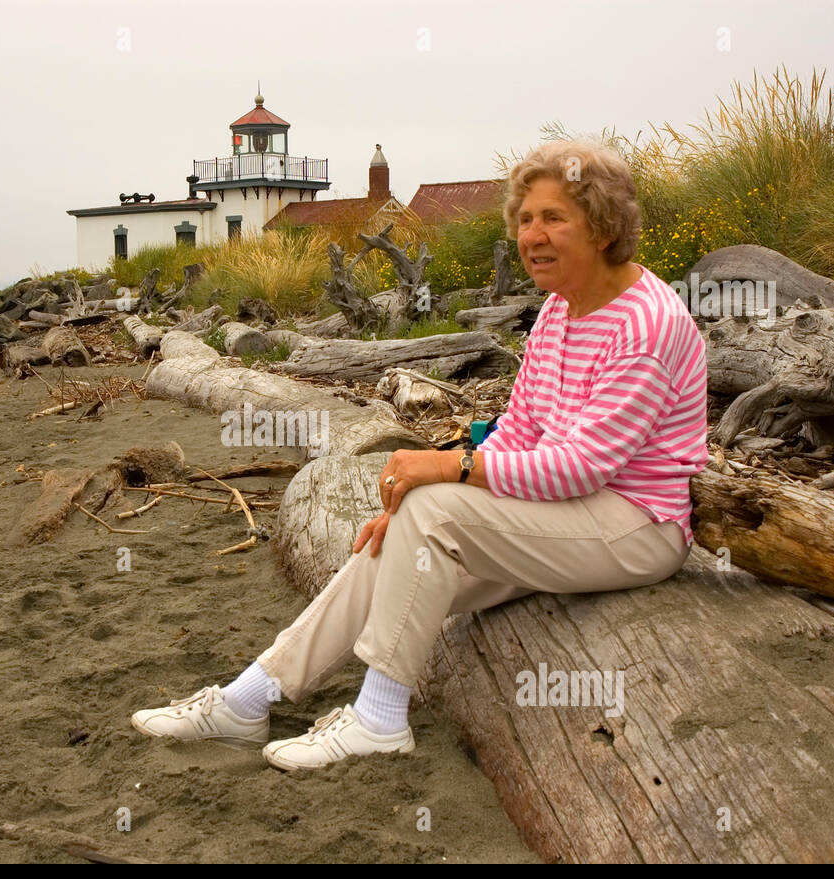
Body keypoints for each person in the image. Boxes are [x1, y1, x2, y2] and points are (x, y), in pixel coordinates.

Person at [131, 139, 709, 770]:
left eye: (553, 218)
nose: (531, 235)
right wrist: (418, 498)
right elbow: (519, 427)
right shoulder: (560, 310)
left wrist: (448, 467)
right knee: (396, 531)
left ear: (602, 227)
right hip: (568, 514)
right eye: (523, 219)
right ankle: (250, 698)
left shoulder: (647, 322)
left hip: (633, 524)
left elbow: (582, 467)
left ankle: (379, 717)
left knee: (430, 511)